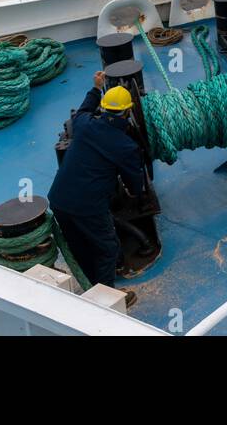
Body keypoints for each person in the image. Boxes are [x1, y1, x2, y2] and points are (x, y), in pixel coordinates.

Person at [49, 71, 146, 299]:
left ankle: (91, 285)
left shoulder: (83, 124)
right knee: (108, 247)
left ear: (103, 108)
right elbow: (135, 184)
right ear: (128, 111)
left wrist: (96, 87)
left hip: (59, 199)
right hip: (89, 207)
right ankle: (105, 299)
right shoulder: (125, 147)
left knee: (79, 245)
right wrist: (135, 194)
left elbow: (83, 110)